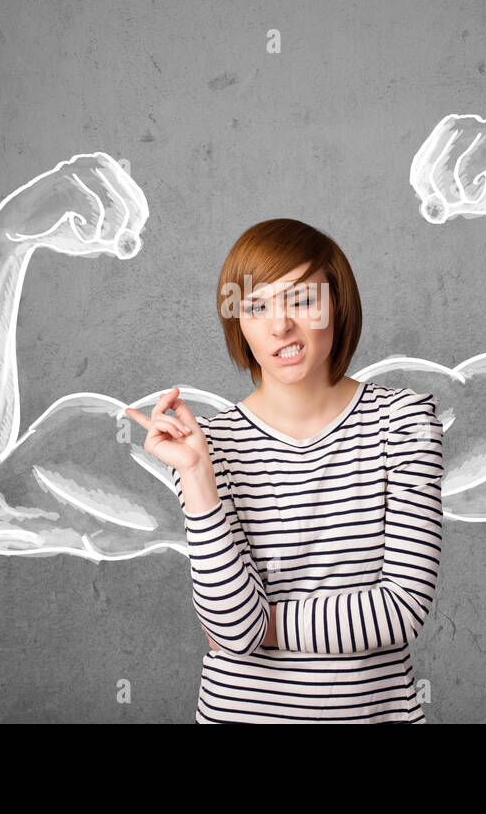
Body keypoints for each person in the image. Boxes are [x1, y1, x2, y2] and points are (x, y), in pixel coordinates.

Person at [122, 219, 445, 723]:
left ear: (337, 303)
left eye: (301, 299)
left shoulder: (404, 423)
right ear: (239, 324)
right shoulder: (208, 445)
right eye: (256, 306)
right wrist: (198, 475)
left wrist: (262, 626)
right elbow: (230, 626)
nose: (280, 327)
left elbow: (401, 611)